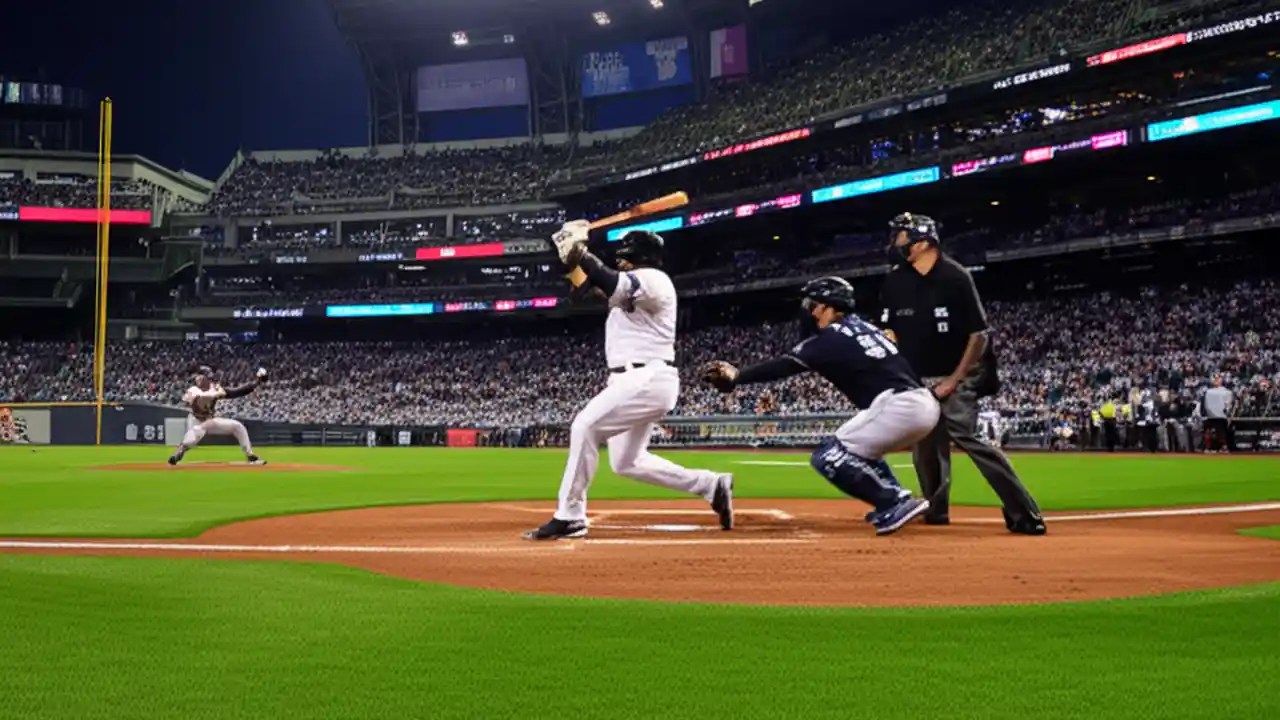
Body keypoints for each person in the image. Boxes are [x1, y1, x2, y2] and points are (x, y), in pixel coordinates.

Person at [523, 225, 733, 540]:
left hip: (645, 376)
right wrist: (563, 257)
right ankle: (710, 484)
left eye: (624, 256)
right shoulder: (632, 287)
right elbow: (585, 292)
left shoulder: (653, 279)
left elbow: (608, 279)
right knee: (627, 462)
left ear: (636, 255)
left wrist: (581, 250)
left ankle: (570, 516)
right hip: (634, 380)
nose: (619, 261)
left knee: (585, 426)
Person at [701, 277, 937, 535]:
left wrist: (738, 377)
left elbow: (784, 365)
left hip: (899, 405)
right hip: (920, 402)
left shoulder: (830, 338)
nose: (809, 311)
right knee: (862, 452)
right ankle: (893, 499)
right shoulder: (864, 327)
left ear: (828, 307)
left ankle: (894, 500)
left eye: (814, 305)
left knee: (827, 455)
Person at [879, 212, 1045, 535]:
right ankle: (936, 509)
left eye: (901, 236)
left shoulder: (955, 277)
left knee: (966, 435)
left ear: (923, 242)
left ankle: (1024, 511)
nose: (895, 243)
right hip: (919, 376)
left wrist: (954, 381)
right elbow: (889, 330)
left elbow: (979, 335)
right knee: (925, 444)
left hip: (960, 370)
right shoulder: (894, 280)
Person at [168, 365, 268, 466]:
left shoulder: (215, 388)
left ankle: (250, 455)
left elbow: (237, 392)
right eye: (199, 376)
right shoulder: (193, 390)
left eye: (203, 377)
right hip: (196, 420)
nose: (199, 379)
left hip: (210, 421)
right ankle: (179, 452)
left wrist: (257, 382)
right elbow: (201, 396)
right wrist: (217, 393)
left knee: (238, 426)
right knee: (191, 440)